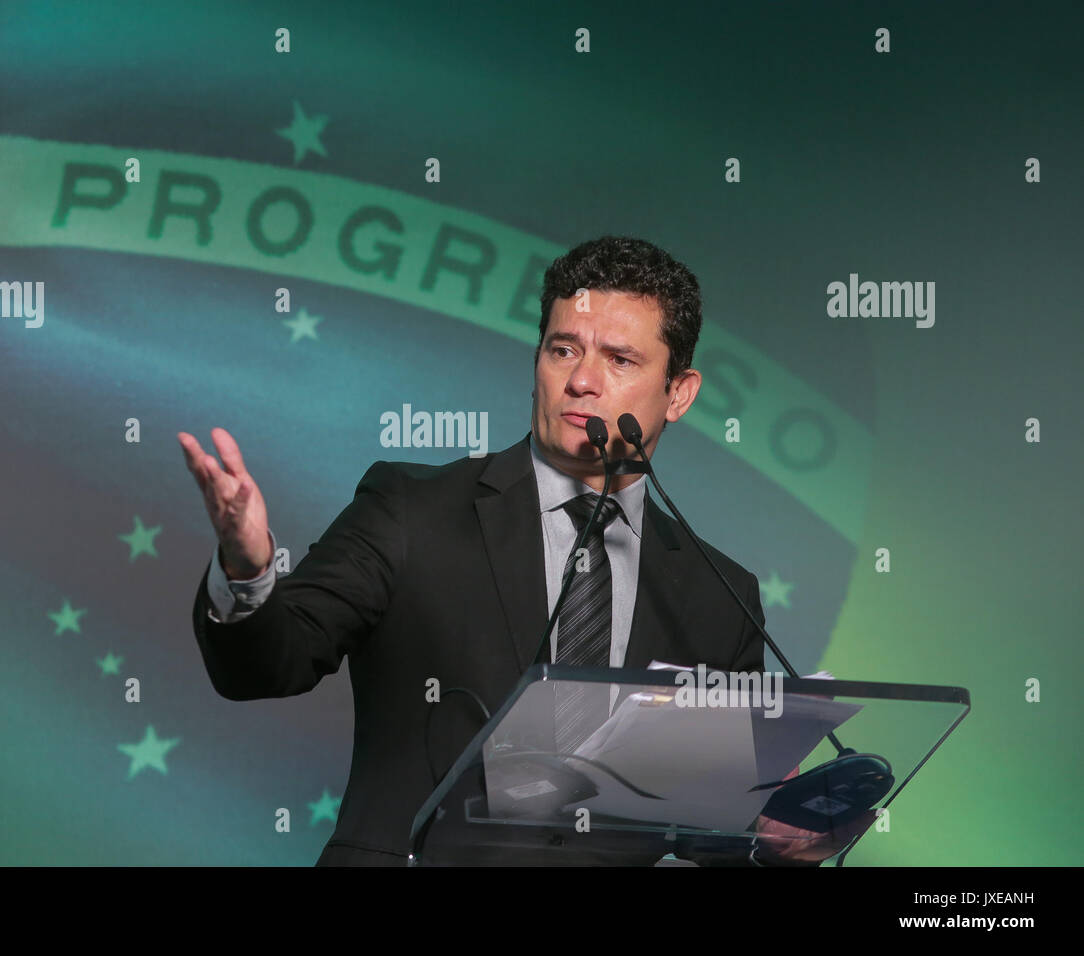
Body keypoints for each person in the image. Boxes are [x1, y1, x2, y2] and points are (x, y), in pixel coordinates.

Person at [179, 235, 874, 866]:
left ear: (679, 394)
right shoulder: (411, 509)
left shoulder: (720, 595)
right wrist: (248, 569)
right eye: (563, 349)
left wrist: (774, 840)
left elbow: (708, 830)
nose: (582, 381)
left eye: (620, 359)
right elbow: (266, 665)